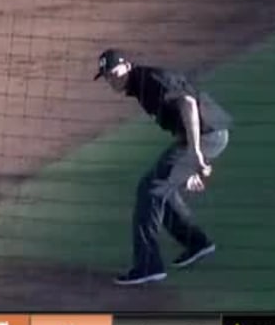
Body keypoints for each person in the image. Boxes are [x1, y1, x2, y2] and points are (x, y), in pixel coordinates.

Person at [95, 49, 232, 285]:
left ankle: (148, 265)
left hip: (209, 135)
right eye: (106, 76)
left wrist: (195, 152)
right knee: (161, 186)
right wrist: (187, 167)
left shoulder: (149, 80)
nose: (111, 79)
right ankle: (197, 243)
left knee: (150, 189)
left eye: (113, 72)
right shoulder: (139, 86)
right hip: (205, 136)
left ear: (127, 66)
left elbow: (188, 103)